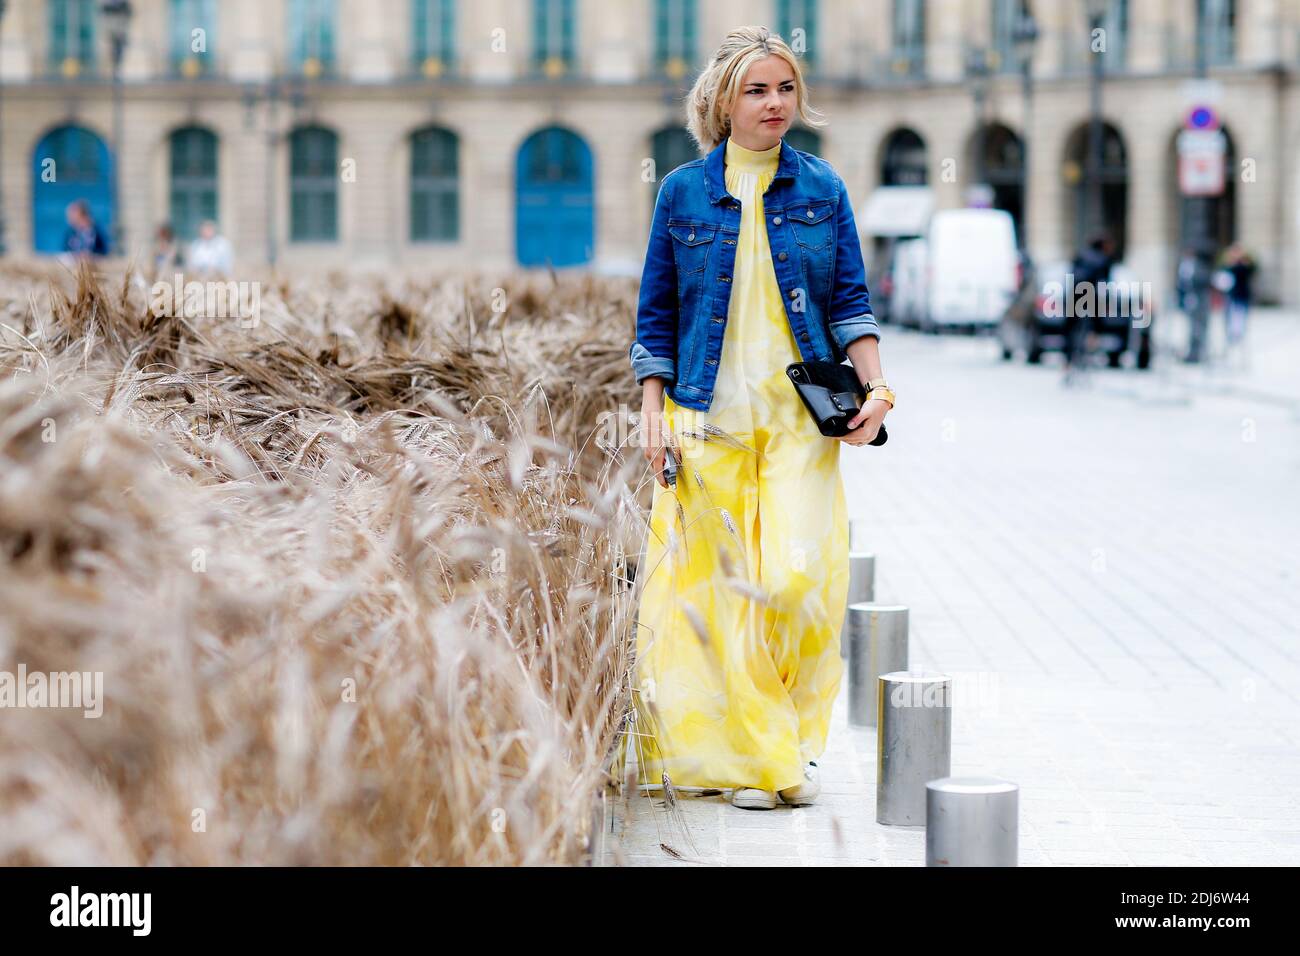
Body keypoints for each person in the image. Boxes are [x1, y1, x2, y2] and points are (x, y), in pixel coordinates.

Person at [628, 25, 893, 812]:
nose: (776, 103)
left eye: (784, 88)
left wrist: (878, 391)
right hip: (704, 418)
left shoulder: (823, 190)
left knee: (798, 578)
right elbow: (657, 316)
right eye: (757, 90)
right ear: (721, 102)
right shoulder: (681, 192)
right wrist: (652, 414)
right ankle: (763, 757)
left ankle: (779, 741)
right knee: (724, 592)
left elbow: (850, 301)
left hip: (798, 422)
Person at [1064, 232, 1114, 386]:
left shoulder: (1080, 255)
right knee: (1095, 325)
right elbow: (1104, 284)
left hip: (1075, 294)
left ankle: (1068, 362)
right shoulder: (1104, 260)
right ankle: (1091, 344)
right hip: (1091, 296)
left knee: (1070, 329)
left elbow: (1070, 274)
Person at [1221, 243, 1256, 361]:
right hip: (1230, 299)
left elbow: (1250, 271)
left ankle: (1240, 348)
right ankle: (1229, 347)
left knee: (1240, 325)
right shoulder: (1227, 266)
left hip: (1241, 299)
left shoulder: (1244, 266)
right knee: (1229, 324)